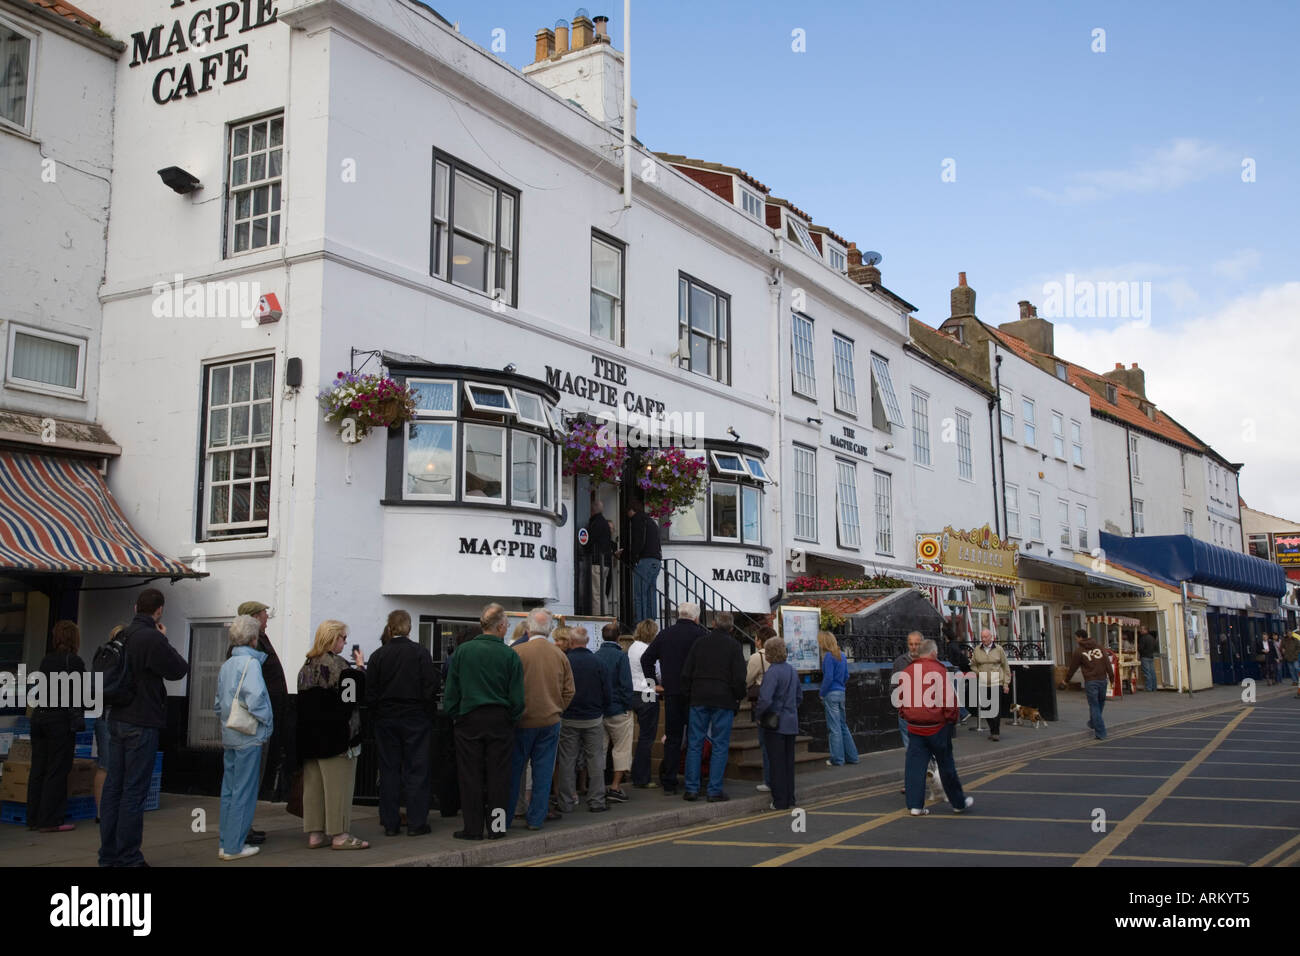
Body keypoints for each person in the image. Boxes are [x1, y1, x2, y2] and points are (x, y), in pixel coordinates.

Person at [99, 588, 189, 867]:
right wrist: (164, 639)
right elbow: (178, 669)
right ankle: (128, 857)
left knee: (113, 788)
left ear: (136, 606)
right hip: (142, 721)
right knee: (134, 791)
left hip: (115, 718)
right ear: (159, 610)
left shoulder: (122, 635)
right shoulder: (151, 638)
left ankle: (108, 855)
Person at [444, 603, 525, 840]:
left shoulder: (462, 652)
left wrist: (455, 713)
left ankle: (473, 828)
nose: (507, 630)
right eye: (507, 626)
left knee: (470, 776)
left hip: (469, 719)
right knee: (499, 776)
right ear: (499, 626)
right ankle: (497, 827)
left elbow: (451, 691)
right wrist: (512, 717)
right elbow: (517, 697)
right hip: (500, 719)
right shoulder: (510, 655)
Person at [366, 609, 438, 837]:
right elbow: (431, 687)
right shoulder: (420, 653)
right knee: (417, 770)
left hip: (386, 718)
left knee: (389, 771)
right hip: (415, 717)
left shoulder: (378, 656)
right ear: (408, 628)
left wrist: (378, 713)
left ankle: (390, 823)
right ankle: (417, 823)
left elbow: (371, 692)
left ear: (390, 628)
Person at [297, 619, 368, 850]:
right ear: (332, 638)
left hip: (310, 739)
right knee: (339, 788)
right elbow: (350, 701)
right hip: (338, 739)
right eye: (342, 638)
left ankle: (315, 834)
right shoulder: (341, 667)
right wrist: (360, 669)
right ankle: (340, 835)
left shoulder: (306, 667)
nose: (345, 642)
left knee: (314, 789)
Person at [213, 615, 273, 860]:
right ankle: (234, 847)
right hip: (248, 735)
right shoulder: (251, 664)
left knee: (229, 790)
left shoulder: (227, 665)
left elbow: (218, 704)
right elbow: (257, 698)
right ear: (253, 638)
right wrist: (268, 722)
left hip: (230, 733)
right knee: (245, 792)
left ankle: (226, 842)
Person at [227, 600, 287, 844]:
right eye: (264, 615)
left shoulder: (257, 643)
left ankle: (242, 829)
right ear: (252, 618)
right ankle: (239, 834)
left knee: (245, 782)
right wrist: (266, 722)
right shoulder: (248, 656)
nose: (267, 619)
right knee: (246, 782)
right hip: (251, 726)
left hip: (248, 724)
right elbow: (253, 693)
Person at [509, 608, 573, 831]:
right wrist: (557, 709)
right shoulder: (560, 655)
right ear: (550, 630)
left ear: (528, 628)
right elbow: (569, 691)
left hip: (522, 721)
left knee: (515, 772)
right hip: (550, 721)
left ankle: (505, 819)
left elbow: (509, 689)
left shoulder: (517, 653)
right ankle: (536, 819)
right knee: (543, 773)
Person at [898, 640, 974, 816]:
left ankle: (915, 806)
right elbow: (948, 699)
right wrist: (951, 719)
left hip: (915, 726)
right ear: (933, 653)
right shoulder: (939, 670)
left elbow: (900, 699)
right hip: (937, 726)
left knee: (914, 768)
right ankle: (958, 803)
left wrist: (906, 715)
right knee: (946, 765)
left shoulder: (907, 671)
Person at [639, 602, 708, 794]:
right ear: (696, 617)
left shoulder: (665, 634)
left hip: (671, 693)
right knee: (696, 737)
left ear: (679, 615)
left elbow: (646, 659)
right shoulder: (701, 635)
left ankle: (669, 782)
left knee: (673, 738)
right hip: (695, 693)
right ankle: (694, 779)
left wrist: (654, 685)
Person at [681, 611, 746, 803]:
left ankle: (691, 789)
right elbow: (739, 678)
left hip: (699, 697)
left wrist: (689, 694)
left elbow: (686, 672)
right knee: (720, 745)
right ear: (732, 628)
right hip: (723, 699)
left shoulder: (699, 643)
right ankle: (714, 790)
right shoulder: (734, 646)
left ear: (714, 624)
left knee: (695, 744)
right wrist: (738, 697)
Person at [28, 621, 86, 833]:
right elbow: (81, 693)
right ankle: (50, 820)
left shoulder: (46, 660)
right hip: (59, 721)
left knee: (38, 769)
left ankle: (33, 818)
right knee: (57, 769)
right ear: (74, 639)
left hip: (39, 718)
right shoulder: (75, 662)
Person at [556, 627, 613, 813]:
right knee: (595, 759)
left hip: (568, 717)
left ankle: (566, 802)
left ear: (571, 642)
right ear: (587, 641)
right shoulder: (598, 662)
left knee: (567, 760)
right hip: (593, 717)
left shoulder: (564, 661)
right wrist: (601, 709)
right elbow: (607, 692)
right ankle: (597, 800)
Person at [754, 636, 801, 811]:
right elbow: (798, 697)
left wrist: (758, 714)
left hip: (775, 723)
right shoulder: (792, 670)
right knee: (788, 763)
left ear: (770, 654)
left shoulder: (772, 672)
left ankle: (780, 800)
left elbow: (765, 699)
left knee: (776, 763)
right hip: (791, 721)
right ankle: (790, 798)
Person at [595, 622, 635, 803]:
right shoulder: (621, 656)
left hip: (599, 710)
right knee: (621, 749)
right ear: (618, 637)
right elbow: (626, 685)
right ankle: (615, 787)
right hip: (619, 709)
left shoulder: (595, 655)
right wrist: (628, 705)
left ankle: (597, 787)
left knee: (599, 750)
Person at [91, 624, 126, 821]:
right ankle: (117, 811)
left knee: (104, 765)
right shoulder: (123, 655)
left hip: (101, 714)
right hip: (120, 714)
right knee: (121, 766)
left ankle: (100, 813)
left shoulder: (102, 654)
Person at [1060, 628, 1114, 741]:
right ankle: (1094, 722)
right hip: (1103, 679)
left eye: (1076, 638)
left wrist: (1066, 680)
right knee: (1100, 703)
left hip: (1091, 681)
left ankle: (1101, 732)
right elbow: (1107, 663)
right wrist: (1112, 678)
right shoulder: (1099, 647)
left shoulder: (1079, 651)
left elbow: (1073, 668)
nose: (1076, 640)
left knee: (1094, 706)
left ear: (1079, 637)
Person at [627, 619, 661, 790]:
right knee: (647, 737)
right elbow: (656, 674)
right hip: (647, 691)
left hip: (634, 692)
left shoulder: (632, 647)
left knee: (642, 736)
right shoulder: (649, 650)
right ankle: (642, 777)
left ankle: (637, 773)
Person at [818, 630, 858, 767]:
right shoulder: (841, 655)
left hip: (831, 693)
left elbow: (828, 677)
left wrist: (822, 692)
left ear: (824, 642)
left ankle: (837, 759)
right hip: (841, 693)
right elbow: (846, 676)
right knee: (843, 726)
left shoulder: (828, 657)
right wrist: (840, 685)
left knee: (834, 728)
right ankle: (852, 757)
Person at [746, 625, 776, 792]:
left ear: (761, 640)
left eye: (756, 638)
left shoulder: (756, 657)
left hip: (762, 703)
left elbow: (748, 680)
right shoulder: (778, 657)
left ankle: (768, 780)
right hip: (778, 704)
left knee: (765, 743)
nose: (755, 641)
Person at [623, 499, 662, 624]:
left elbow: (637, 542)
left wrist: (628, 556)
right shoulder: (650, 521)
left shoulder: (637, 520)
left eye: (627, 512)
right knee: (651, 593)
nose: (627, 516)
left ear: (631, 510)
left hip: (645, 560)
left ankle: (641, 624)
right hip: (656, 561)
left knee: (639, 594)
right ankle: (651, 624)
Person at [970, 629, 1010, 741]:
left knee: (995, 708)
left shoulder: (999, 649)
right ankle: (993, 729)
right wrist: (978, 673)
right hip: (983, 682)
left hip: (996, 681)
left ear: (991, 637)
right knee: (985, 708)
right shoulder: (977, 650)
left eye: (986, 637)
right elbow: (973, 665)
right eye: (982, 637)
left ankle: (995, 732)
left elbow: (1005, 666)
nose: (984, 639)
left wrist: (1006, 683)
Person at [586, 499, 616, 616]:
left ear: (592, 510)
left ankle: (598, 619)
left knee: (596, 593)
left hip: (597, 562)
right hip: (605, 562)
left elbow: (589, 541)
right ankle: (605, 617)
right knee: (602, 592)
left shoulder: (596, 523)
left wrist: (585, 549)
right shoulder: (604, 523)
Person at [1137, 627, 1159, 692]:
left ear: (1146, 630)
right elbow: (1155, 647)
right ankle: (1154, 687)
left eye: (1142, 629)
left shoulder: (1143, 638)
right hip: (1151, 656)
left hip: (1144, 656)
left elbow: (1140, 648)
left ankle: (1149, 688)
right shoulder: (1152, 638)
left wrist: (1139, 649)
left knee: (1147, 673)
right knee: (1152, 672)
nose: (1140, 630)